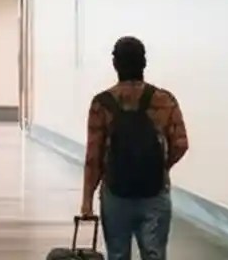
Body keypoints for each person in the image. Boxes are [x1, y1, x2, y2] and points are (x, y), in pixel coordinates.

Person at [79, 37, 188, 260]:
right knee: (154, 254)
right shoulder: (164, 100)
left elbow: (94, 157)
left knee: (118, 254)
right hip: (155, 192)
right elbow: (180, 144)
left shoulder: (102, 104)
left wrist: (87, 200)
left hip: (115, 193)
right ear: (144, 63)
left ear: (115, 64)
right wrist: (159, 166)